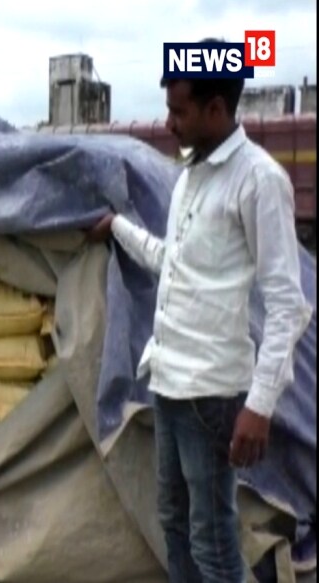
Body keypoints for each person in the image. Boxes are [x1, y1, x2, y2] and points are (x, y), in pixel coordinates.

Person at [87, 69, 313, 581]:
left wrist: (260, 405)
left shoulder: (258, 181)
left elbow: (288, 305)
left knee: (212, 541)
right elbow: (172, 262)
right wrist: (118, 227)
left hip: (211, 395)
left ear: (215, 110)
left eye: (178, 112)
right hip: (170, 381)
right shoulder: (192, 177)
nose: (169, 123)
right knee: (174, 521)